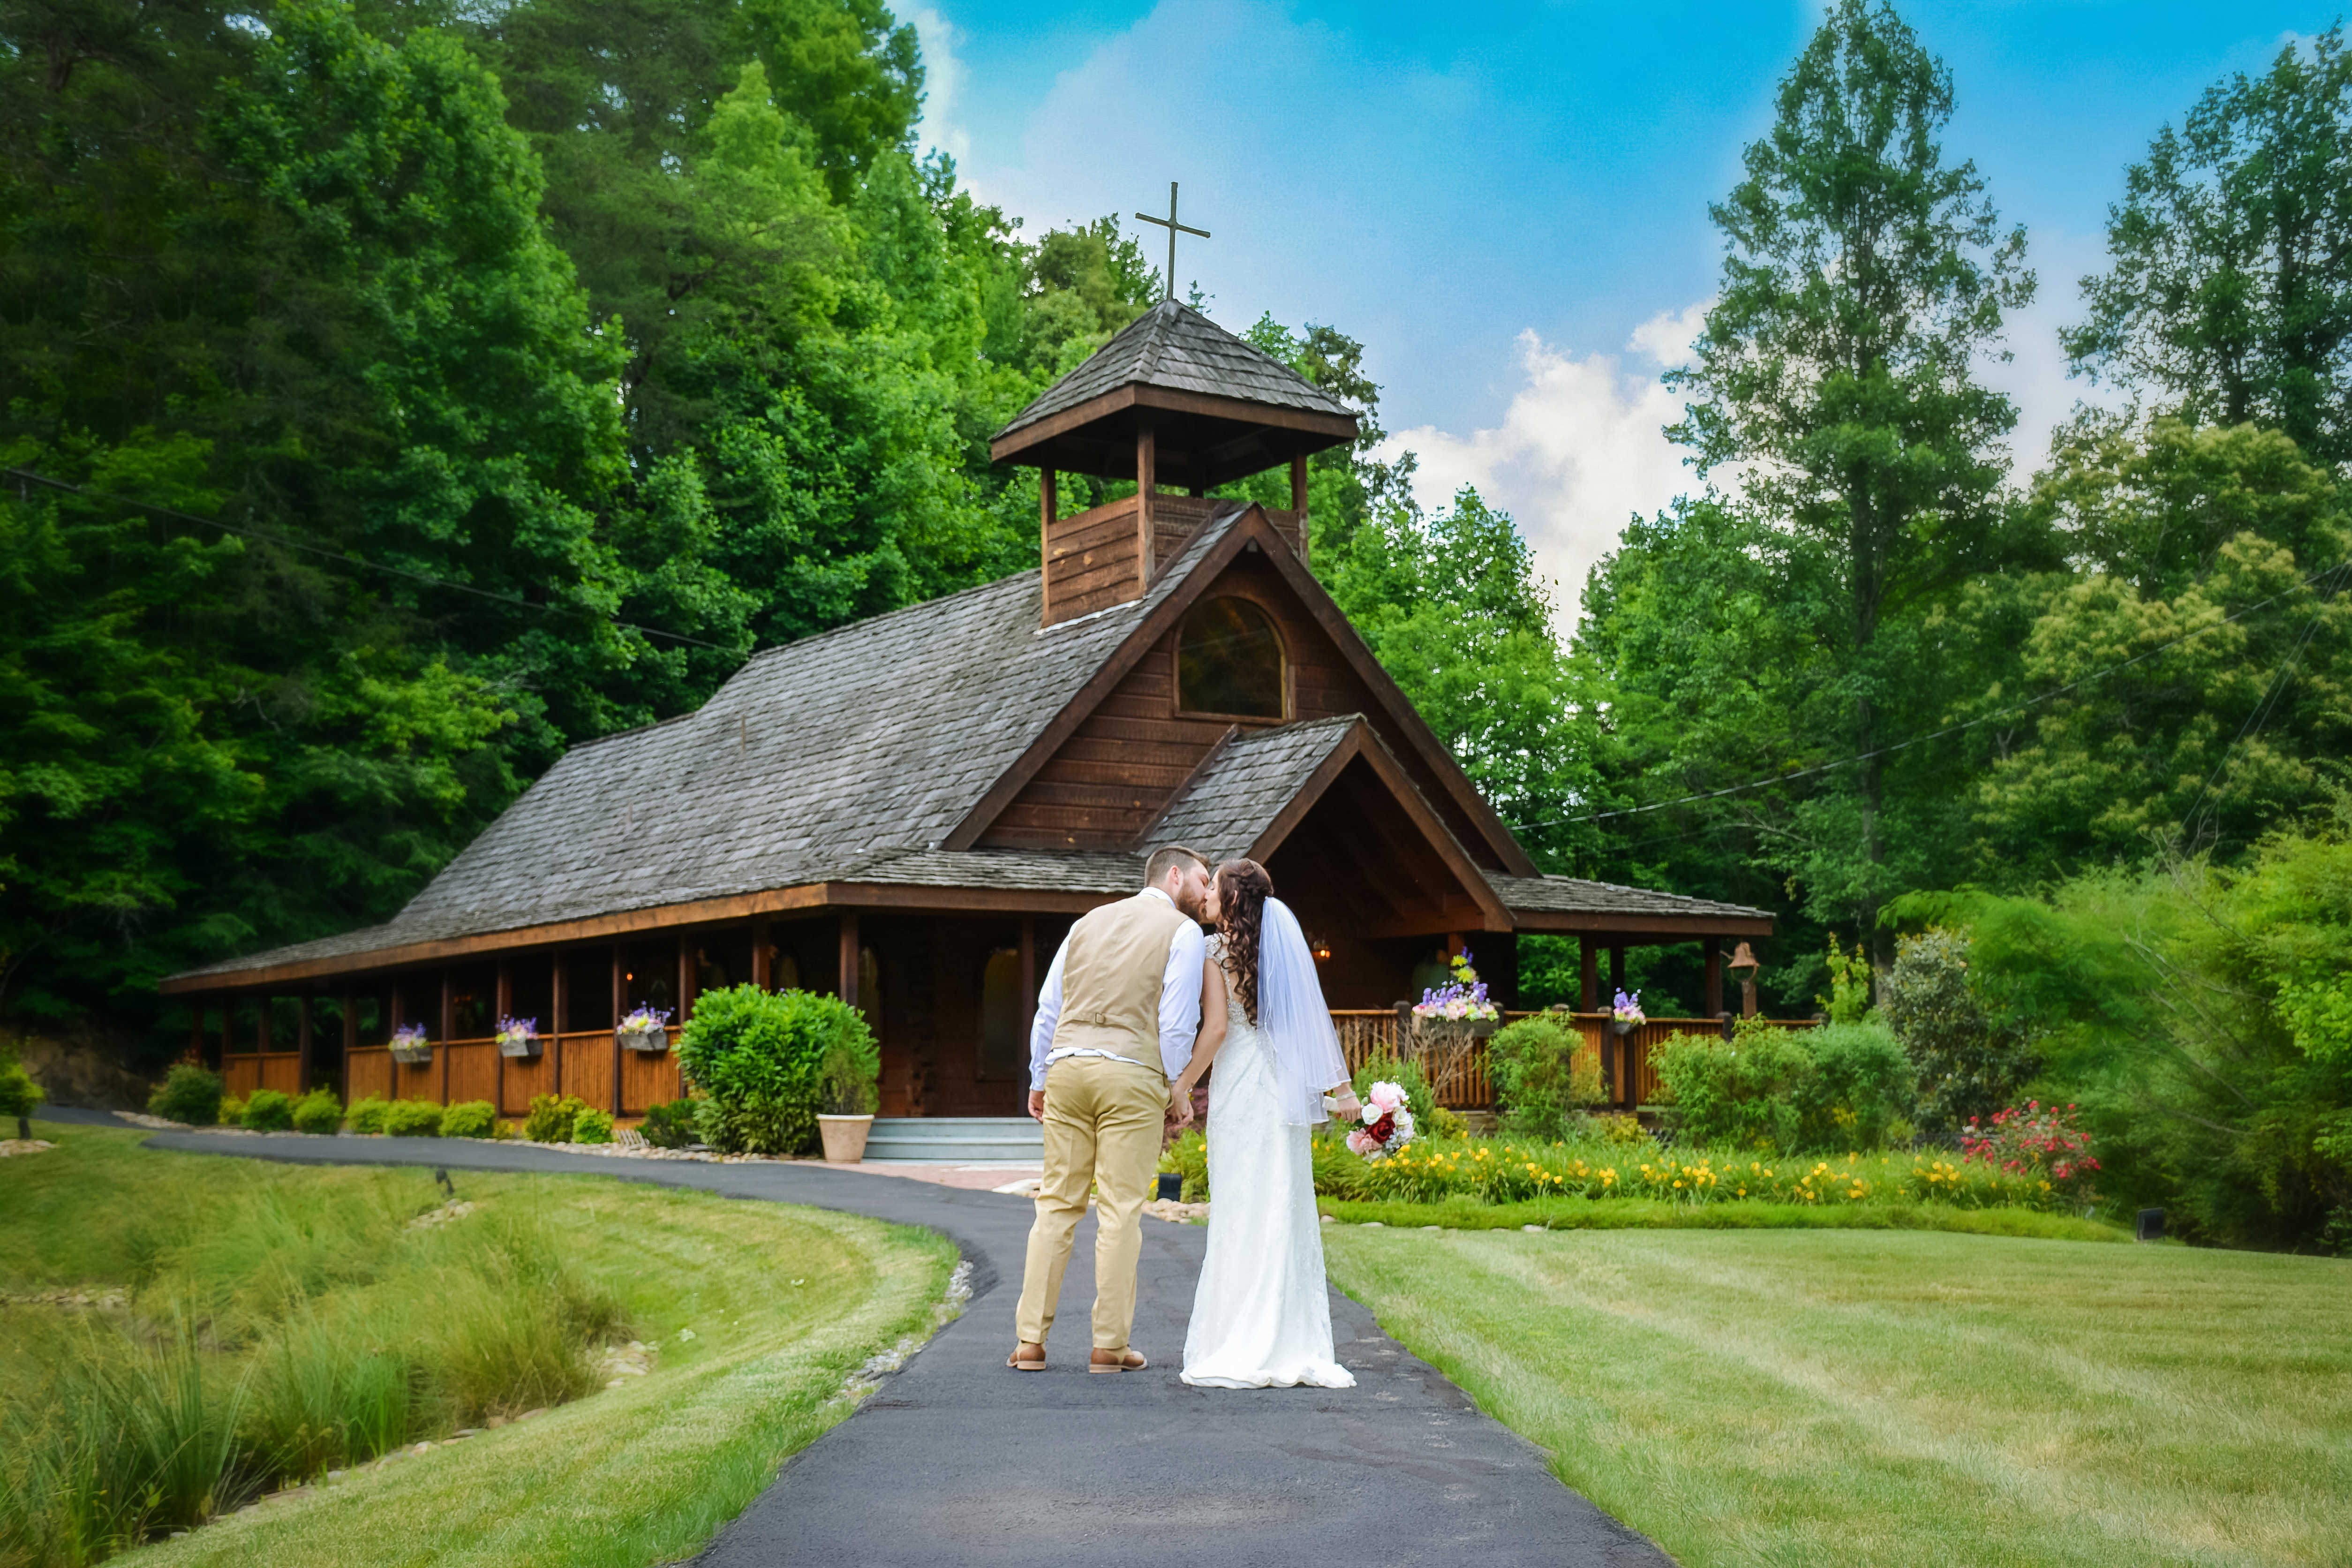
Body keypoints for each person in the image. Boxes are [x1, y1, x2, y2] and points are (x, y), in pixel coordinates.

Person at [1009, 844, 1216, 1374]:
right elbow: (1175, 1022)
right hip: (1131, 1071)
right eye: (1201, 878)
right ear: (1174, 876)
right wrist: (1177, 1089)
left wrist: (1039, 1077)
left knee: (1056, 1202)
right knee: (1120, 1208)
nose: (1205, 889)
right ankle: (1109, 1345)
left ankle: (1030, 1341)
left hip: (1068, 1067)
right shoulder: (1183, 932)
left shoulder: (1086, 922)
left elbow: (1048, 1008)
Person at [1170, 858, 1361, 1389]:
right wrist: (1341, 1091)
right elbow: (1306, 1027)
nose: (1205, 893)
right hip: (1279, 1089)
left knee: (1240, 1205)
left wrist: (1182, 1083)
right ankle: (1288, 1334)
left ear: (1231, 899)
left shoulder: (1213, 952)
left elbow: (1214, 1031)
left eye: (1213, 888)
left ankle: (1240, 1333)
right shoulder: (1272, 949)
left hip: (1238, 1089)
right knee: (1281, 1201)